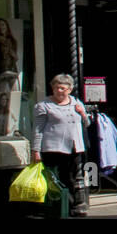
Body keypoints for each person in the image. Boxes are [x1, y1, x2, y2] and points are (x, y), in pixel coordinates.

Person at [32, 73, 90, 216]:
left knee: (72, 178)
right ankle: (55, 207)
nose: (59, 91)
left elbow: (87, 124)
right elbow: (38, 130)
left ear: (69, 89)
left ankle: (71, 206)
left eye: (62, 88)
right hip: (53, 148)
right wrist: (36, 150)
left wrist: (83, 113)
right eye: (56, 88)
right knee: (54, 179)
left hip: (74, 147)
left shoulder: (76, 103)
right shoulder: (44, 105)